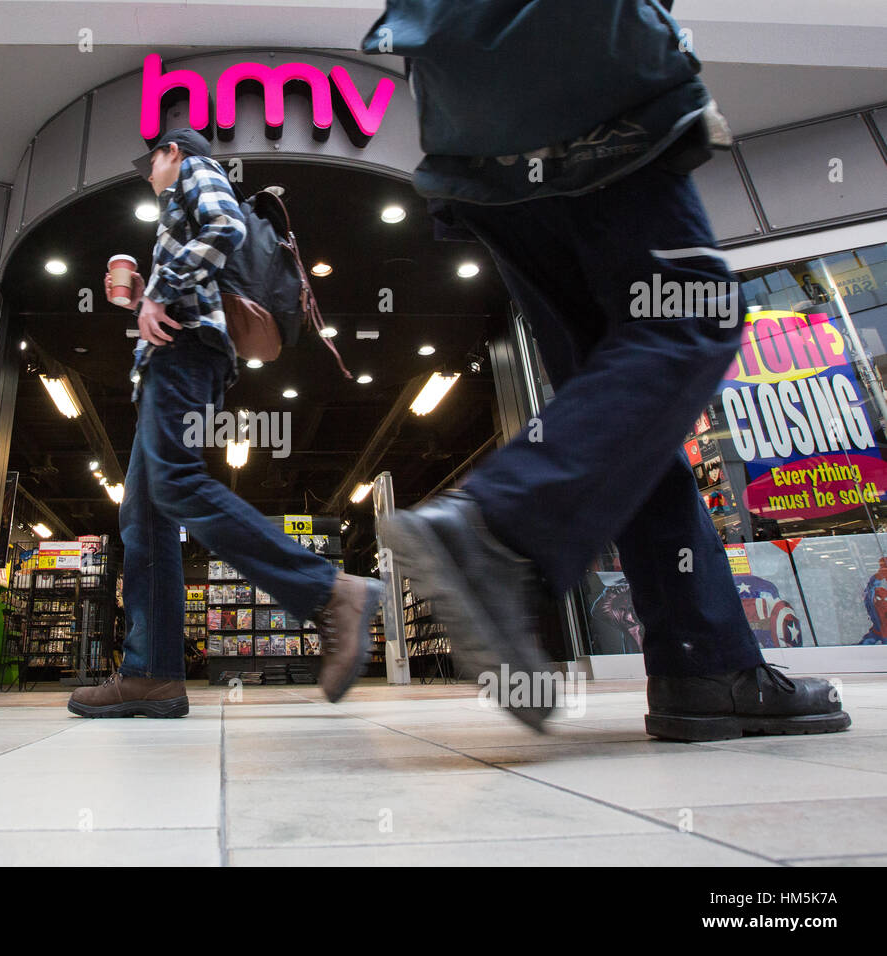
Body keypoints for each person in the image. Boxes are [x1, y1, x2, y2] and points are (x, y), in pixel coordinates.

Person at [363, 0, 849, 740]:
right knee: (689, 317)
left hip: (473, 130)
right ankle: (496, 525)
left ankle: (704, 663)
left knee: (628, 414)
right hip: (592, 88)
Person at [68, 129, 382, 718]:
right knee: (143, 515)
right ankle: (151, 673)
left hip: (186, 354)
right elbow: (203, 260)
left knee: (177, 484)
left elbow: (227, 227)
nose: (150, 172)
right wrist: (143, 295)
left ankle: (330, 591)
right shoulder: (176, 200)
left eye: (152, 160)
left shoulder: (195, 172)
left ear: (174, 153)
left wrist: (158, 291)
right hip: (174, 358)